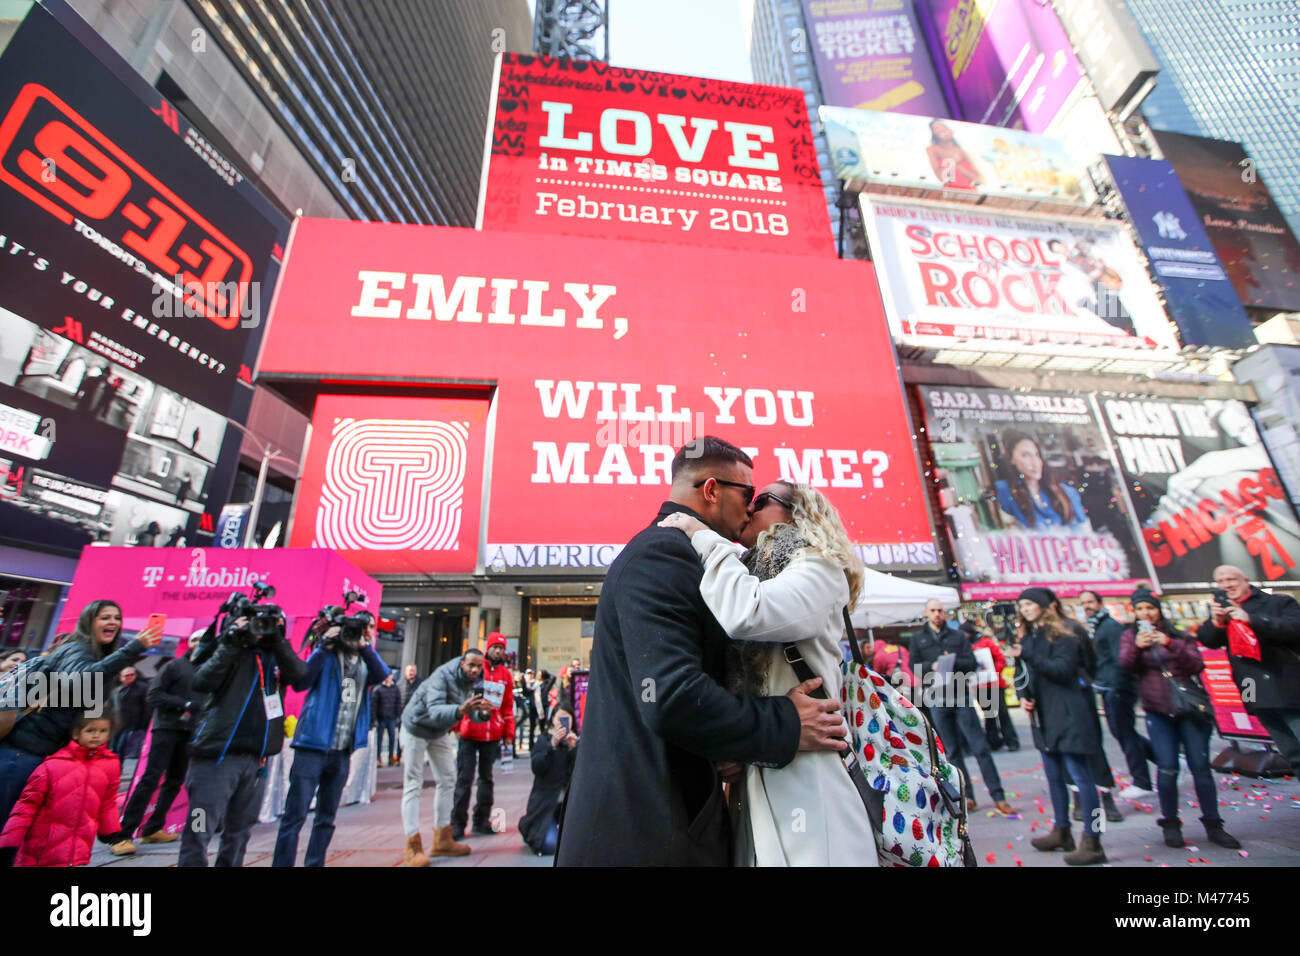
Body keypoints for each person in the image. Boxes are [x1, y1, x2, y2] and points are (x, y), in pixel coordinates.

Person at [556, 437, 848, 866]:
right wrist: (784, 722)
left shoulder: (703, 561)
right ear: (711, 490)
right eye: (748, 494)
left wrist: (729, 747)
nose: (751, 508)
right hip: (645, 831)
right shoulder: (664, 555)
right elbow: (671, 695)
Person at [659, 479, 880, 866]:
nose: (749, 507)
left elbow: (749, 613)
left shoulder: (818, 563)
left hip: (811, 776)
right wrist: (737, 743)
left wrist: (705, 538)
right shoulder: (748, 569)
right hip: (758, 772)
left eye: (760, 500)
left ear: (796, 512)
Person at [0, 600, 160, 827]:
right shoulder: (77, 649)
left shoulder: (96, 657)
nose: (112, 622)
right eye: (105, 617)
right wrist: (133, 648)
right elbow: (84, 678)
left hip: (42, 757)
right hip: (21, 755)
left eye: (116, 618)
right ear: (89, 621)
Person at [179, 606, 305, 867]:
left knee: (239, 832)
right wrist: (233, 639)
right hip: (216, 756)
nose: (264, 628)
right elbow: (202, 680)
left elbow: (300, 677)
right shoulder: (230, 649)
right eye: (260, 623)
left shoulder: (276, 656)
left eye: (272, 622)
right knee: (199, 827)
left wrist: (278, 641)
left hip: (257, 760)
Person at [1120, 587, 1240, 850]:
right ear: (1135, 613)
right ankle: (1171, 824)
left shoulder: (1179, 636)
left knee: (1200, 767)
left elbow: (1197, 665)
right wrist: (1137, 649)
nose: (1146, 613)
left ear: (1158, 609)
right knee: (1167, 768)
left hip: (1189, 711)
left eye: (1150, 608)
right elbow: (1126, 667)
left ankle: (1214, 825)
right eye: (1140, 609)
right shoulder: (1130, 637)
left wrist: (1169, 643)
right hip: (1157, 711)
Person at [272, 616, 390, 867]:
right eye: (358, 628)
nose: (363, 632)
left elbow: (383, 674)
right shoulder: (325, 657)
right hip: (312, 746)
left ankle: (314, 863)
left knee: (326, 817)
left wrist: (365, 647)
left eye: (368, 628)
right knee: (295, 815)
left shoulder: (364, 662)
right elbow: (301, 682)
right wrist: (323, 645)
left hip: (341, 751)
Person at [1018, 588, 1106, 865]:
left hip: (1069, 713)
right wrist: (1023, 696)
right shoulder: (1029, 636)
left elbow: (1063, 669)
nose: (1025, 608)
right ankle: (1061, 830)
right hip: (1043, 715)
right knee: (1054, 776)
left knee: (1082, 778)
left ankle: (1094, 840)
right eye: (1021, 604)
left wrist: (1027, 655)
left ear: (1046, 605)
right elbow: (1022, 673)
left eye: (1030, 603)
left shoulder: (1068, 632)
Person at [909, 599, 1016, 815]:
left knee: (980, 747)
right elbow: (914, 667)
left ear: (945, 613)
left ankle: (998, 795)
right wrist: (933, 666)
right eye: (933, 610)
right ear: (926, 613)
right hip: (937, 699)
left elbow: (972, 664)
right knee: (952, 752)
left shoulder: (957, 636)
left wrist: (953, 662)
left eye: (939, 610)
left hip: (960, 696)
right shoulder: (918, 639)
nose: (937, 614)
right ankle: (967, 797)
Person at [1197, 564, 1300, 766]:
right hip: (1252, 690)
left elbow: (1295, 628)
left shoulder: (1277, 602)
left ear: (1245, 580)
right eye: (1220, 581)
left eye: (1231, 580)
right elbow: (1207, 639)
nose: (1226, 585)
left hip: (1287, 686)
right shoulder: (1222, 611)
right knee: (1292, 754)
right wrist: (1217, 623)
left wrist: (1252, 619)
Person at [0, 713, 128, 867]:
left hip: (78, 846)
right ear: (76, 733)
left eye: (103, 731)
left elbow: (107, 802)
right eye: (90, 730)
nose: (96, 736)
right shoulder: (53, 764)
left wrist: (111, 832)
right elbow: (27, 805)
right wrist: (10, 838)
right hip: (42, 845)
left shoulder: (110, 764)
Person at [400, 650, 486, 865]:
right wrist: (461, 710)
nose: (475, 670)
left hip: (439, 731)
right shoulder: (442, 675)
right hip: (416, 727)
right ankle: (412, 845)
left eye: (478, 666)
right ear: (462, 664)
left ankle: (442, 838)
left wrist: (483, 713)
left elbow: (471, 712)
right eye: (471, 666)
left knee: (449, 779)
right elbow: (436, 709)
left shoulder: (478, 679)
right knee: (413, 784)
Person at [117, 636, 200, 846]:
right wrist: (185, 704)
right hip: (166, 728)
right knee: (151, 778)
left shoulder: (208, 671)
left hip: (189, 731)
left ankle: (154, 827)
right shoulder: (175, 666)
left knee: (176, 779)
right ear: (191, 644)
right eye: (198, 641)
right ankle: (124, 832)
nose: (202, 645)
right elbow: (154, 695)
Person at [1079, 589, 1154, 799]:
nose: (1087, 606)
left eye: (1090, 602)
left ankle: (1142, 781)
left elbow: (1121, 659)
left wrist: (1118, 686)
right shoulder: (1096, 626)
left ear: (1099, 602)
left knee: (1124, 733)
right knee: (1122, 732)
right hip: (1107, 686)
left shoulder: (1110, 626)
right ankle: (1167, 760)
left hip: (1117, 687)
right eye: (1083, 603)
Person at [451, 632, 515, 840]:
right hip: (470, 732)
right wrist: (456, 723)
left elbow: (507, 705)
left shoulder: (505, 675)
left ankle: (481, 821)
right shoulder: (477, 669)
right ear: (488, 648)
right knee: (464, 778)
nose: (498, 651)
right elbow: (460, 695)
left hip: (493, 734)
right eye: (495, 647)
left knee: (487, 778)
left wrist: (509, 733)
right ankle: (457, 824)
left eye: (501, 648)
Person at [993, 430, 1087, 531]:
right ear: (1012, 459)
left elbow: (1082, 530)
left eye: (1036, 455)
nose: (1035, 462)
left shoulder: (1067, 492)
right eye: (1026, 455)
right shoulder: (1004, 491)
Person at [519, 709, 578, 855]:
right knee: (550, 846)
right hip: (546, 803)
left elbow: (584, 772)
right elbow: (537, 767)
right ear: (553, 720)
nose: (563, 721)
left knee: (577, 844)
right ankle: (528, 825)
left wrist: (574, 749)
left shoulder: (575, 741)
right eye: (560, 718)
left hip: (568, 806)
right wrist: (552, 745)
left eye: (567, 718)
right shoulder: (544, 740)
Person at [965, 620, 1018, 751]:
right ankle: (994, 741)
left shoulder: (986, 643)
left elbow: (1001, 659)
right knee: (988, 714)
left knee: (1002, 713)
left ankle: (1011, 741)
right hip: (979, 686)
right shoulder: (966, 646)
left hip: (994, 684)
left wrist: (995, 673)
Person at [926, 120, 981, 189]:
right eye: (936, 128)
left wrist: (960, 167)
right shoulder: (933, 149)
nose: (941, 130)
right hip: (951, 191)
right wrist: (954, 161)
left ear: (951, 131)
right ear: (933, 133)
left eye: (943, 127)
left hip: (970, 192)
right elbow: (940, 176)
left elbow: (979, 180)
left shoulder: (962, 152)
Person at [110, 666, 150, 759]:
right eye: (127, 675)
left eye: (132, 675)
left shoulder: (142, 688)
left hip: (132, 723)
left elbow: (146, 707)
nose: (130, 677)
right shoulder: (116, 690)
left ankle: (119, 765)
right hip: (117, 723)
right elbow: (112, 707)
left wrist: (143, 723)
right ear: (121, 678)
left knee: (122, 746)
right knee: (114, 747)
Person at [372, 672, 402, 767]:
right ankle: (378, 758)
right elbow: (374, 705)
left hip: (391, 717)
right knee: (379, 739)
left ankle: (390, 758)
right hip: (381, 718)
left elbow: (398, 703)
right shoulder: (378, 689)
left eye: (389, 676)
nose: (387, 678)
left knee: (392, 738)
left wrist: (397, 716)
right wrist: (374, 719)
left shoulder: (395, 688)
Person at [517, 668, 538, 751]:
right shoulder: (522, 683)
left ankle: (530, 745)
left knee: (532, 727)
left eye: (531, 674)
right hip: (521, 708)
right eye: (528, 674)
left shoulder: (535, 684)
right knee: (520, 727)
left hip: (532, 708)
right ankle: (519, 745)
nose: (530, 676)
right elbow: (524, 691)